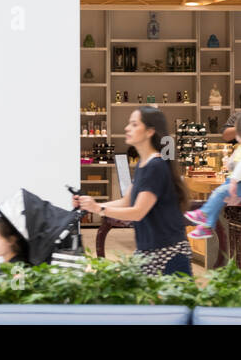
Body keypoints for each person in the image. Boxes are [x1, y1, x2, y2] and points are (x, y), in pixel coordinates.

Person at [73, 106, 193, 275]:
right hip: (148, 251)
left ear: (150, 131)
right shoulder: (143, 164)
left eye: (134, 124)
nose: (127, 128)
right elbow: (126, 202)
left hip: (167, 254)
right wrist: (90, 205)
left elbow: (138, 212)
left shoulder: (155, 166)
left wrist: (99, 209)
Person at [185, 109, 241, 239]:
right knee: (217, 198)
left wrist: (234, 181)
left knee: (218, 194)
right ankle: (206, 226)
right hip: (236, 182)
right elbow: (233, 162)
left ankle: (203, 215)